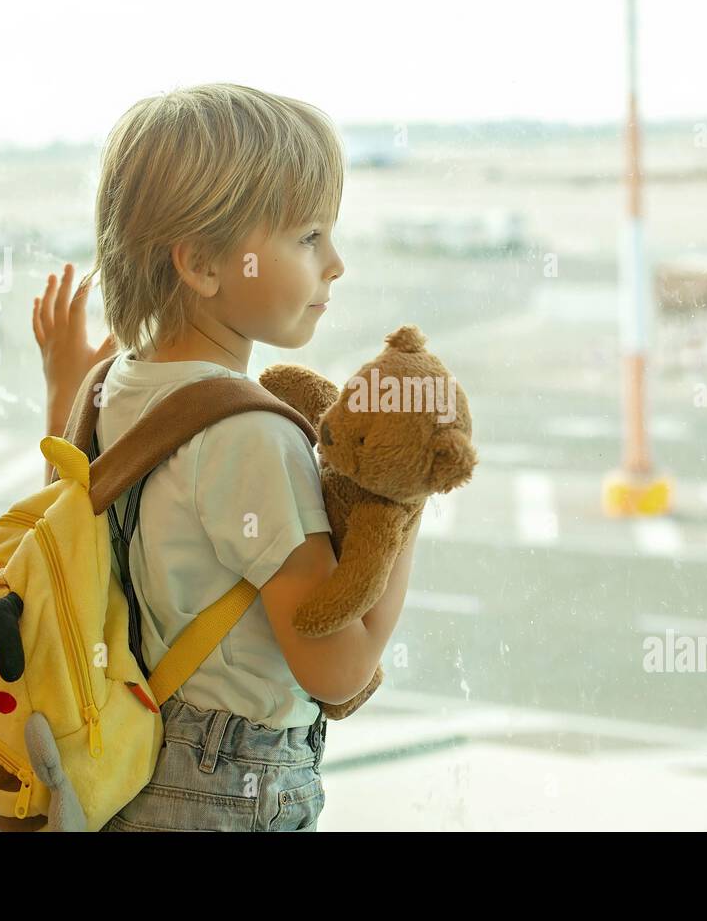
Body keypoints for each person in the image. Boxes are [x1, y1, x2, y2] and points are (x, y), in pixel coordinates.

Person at [31, 84, 419, 831]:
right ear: (204, 265)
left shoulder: (110, 388)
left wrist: (65, 385)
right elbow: (337, 668)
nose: (335, 262)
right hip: (229, 788)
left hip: (129, 765)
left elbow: (69, 516)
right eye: (308, 237)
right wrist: (405, 504)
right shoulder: (248, 437)